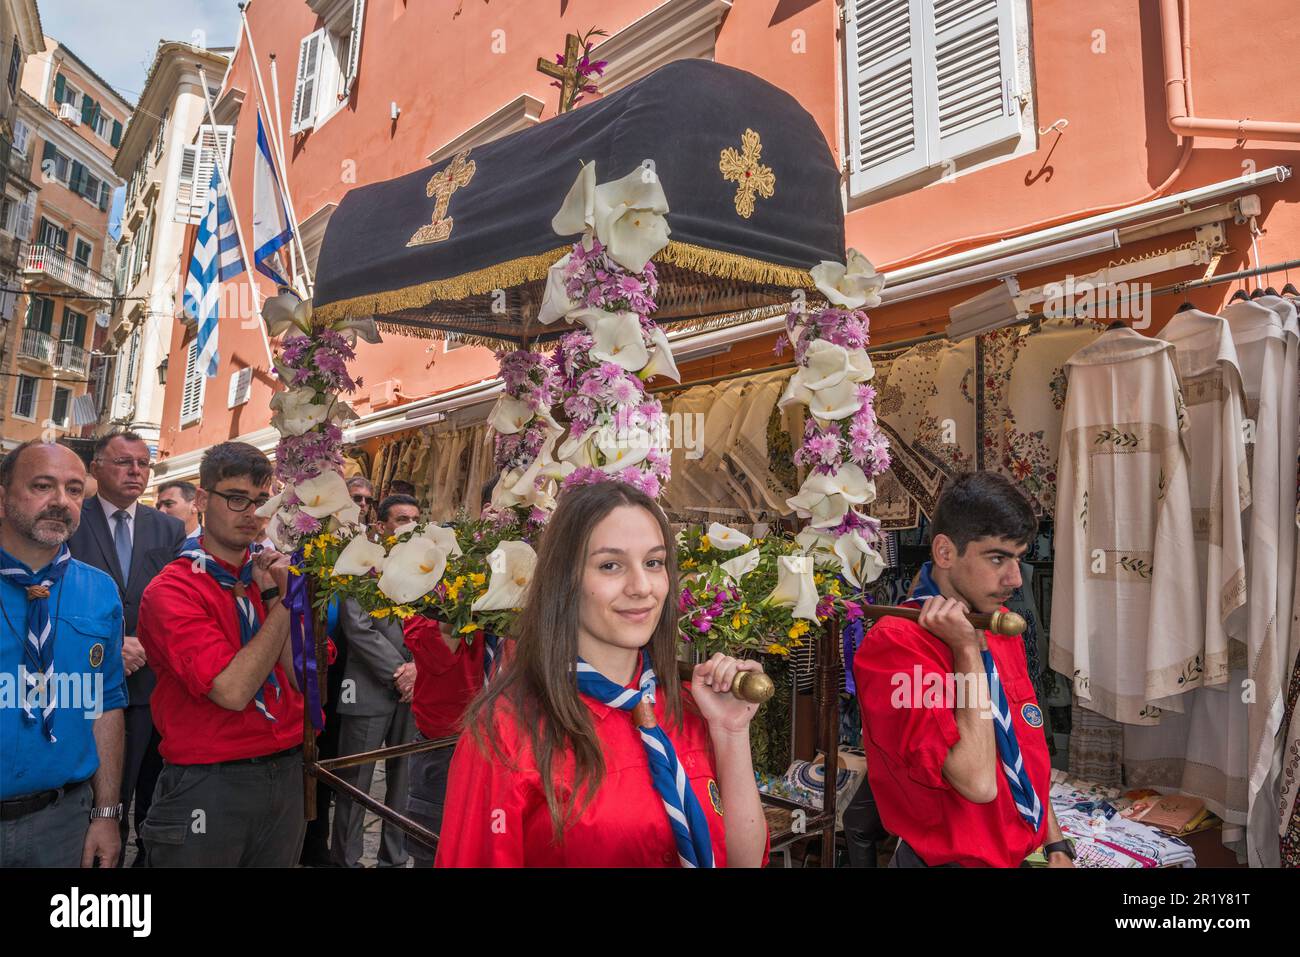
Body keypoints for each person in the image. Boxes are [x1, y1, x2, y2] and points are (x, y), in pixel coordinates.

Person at [436, 481, 769, 867]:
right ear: (566, 580)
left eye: (654, 562)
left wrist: (731, 733)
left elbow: (744, 861)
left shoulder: (690, 708)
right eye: (610, 565)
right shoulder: (506, 733)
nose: (642, 587)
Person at [853, 471, 1072, 868]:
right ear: (945, 552)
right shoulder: (896, 646)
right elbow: (978, 782)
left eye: (1017, 559)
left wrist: (1056, 845)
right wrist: (967, 652)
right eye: (996, 558)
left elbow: (1020, 745)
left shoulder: (998, 621)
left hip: (1027, 852)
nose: (1014, 580)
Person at [135, 442, 305, 867]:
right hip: (208, 779)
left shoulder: (276, 574)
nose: (251, 513)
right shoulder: (172, 588)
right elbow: (231, 690)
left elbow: (306, 680)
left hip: (286, 772)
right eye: (236, 498)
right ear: (203, 500)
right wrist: (285, 604)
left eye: (262, 501)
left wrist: (276, 594)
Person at [0, 441, 126, 867]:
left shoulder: (100, 591)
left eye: (74, 490)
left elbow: (106, 706)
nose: (60, 502)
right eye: (42, 485)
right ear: (2, 497)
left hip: (60, 825)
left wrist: (106, 814)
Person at [67, 430, 185, 866]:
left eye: (142, 463)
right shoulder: (74, 518)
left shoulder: (168, 527)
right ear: (96, 467)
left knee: (152, 796)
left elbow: (176, 603)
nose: (136, 471)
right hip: (93, 681)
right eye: (123, 462)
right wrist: (115, 645)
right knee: (101, 799)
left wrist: (147, 646)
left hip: (152, 685)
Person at [330, 494, 421, 868]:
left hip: (415, 687)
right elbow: (358, 627)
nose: (410, 526)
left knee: (404, 782)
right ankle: (345, 860)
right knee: (356, 782)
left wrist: (417, 668)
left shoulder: (429, 564)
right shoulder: (361, 561)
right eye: (401, 519)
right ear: (382, 525)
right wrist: (399, 671)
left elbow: (434, 623)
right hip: (368, 686)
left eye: (416, 519)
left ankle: (394, 857)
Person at [155, 480, 201, 548]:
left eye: (168, 504)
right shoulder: (153, 541)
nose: (160, 511)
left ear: (195, 506)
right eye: (158, 507)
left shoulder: (213, 544)